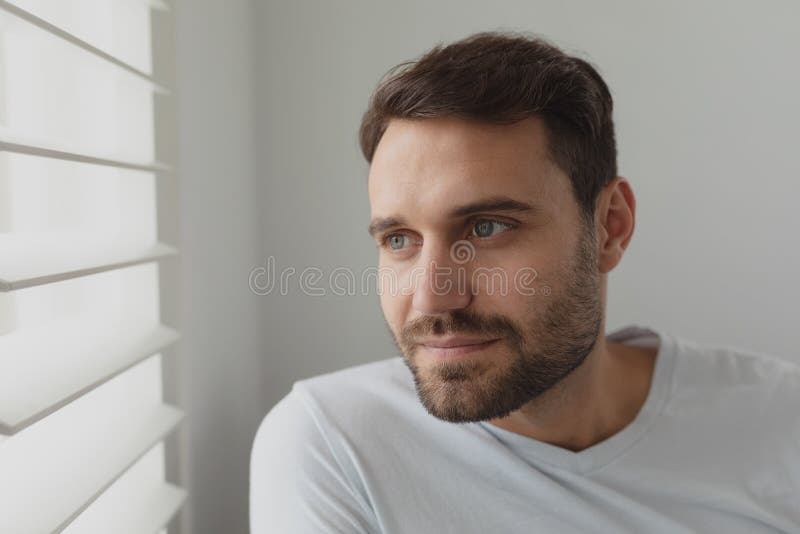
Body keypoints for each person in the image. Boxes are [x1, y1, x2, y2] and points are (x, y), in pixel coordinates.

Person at [250, 31, 800, 533]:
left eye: (487, 228)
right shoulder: (333, 443)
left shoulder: (780, 422)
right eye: (399, 239)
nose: (433, 296)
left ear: (610, 226)